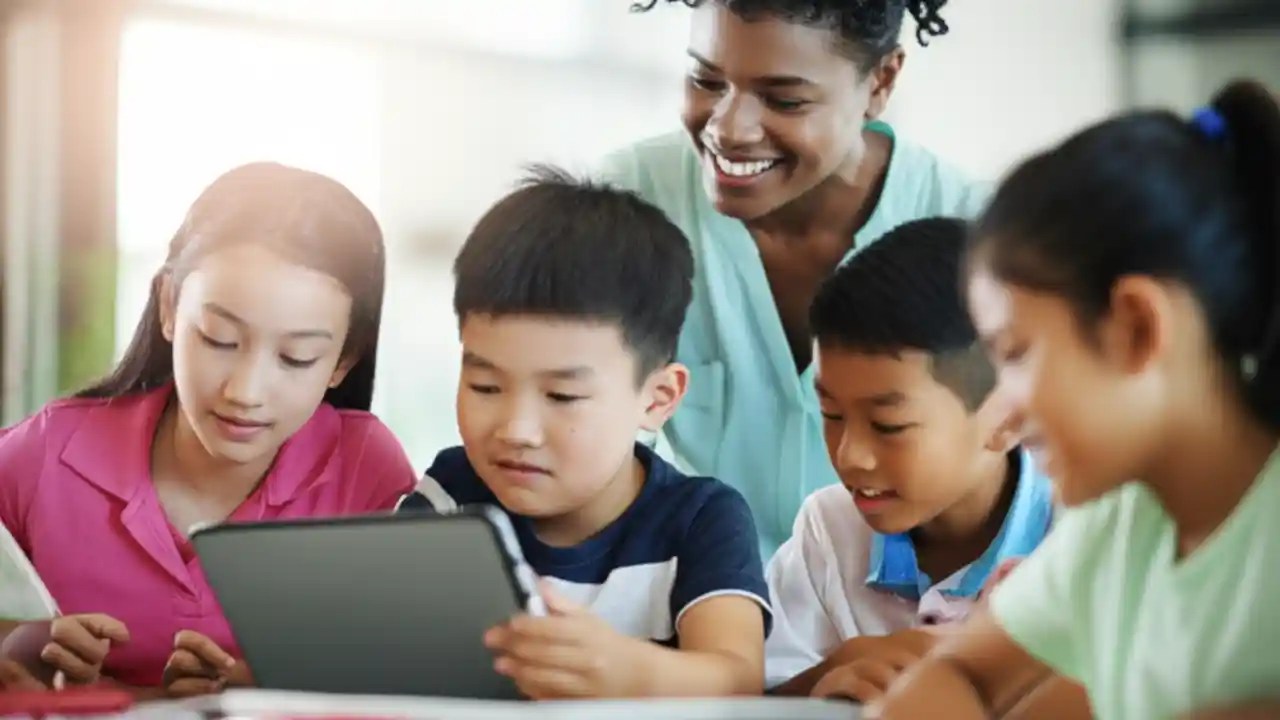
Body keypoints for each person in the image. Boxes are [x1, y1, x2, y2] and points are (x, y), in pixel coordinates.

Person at [845, 80, 1280, 719]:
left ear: (1136, 326)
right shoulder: (1120, 525)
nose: (1006, 408)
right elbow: (962, 671)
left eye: (1016, 354)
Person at [0, 163, 416, 695]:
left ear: (343, 360)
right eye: (220, 339)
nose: (245, 391)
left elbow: (400, 673)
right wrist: (17, 645)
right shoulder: (46, 455)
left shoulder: (366, 469)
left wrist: (257, 686)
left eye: (296, 357)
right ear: (170, 307)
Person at [604, 0, 987, 558]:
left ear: (881, 81)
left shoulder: (982, 242)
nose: (729, 128)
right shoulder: (625, 207)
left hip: (911, 622)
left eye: (785, 99)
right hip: (694, 606)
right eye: (705, 80)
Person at [397, 167, 771, 699]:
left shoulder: (700, 520)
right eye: (484, 385)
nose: (517, 430)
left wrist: (631, 673)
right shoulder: (450, 496)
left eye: (563, 397)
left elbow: (738, 680)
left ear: (657, 398)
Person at [764, 218, 1056, 696]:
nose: (850, 455)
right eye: (830, 412)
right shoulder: (830, 528)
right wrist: (830, 673)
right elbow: (755, 700)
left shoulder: (1081, 533)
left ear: (1008, 418)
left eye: (889, 427)